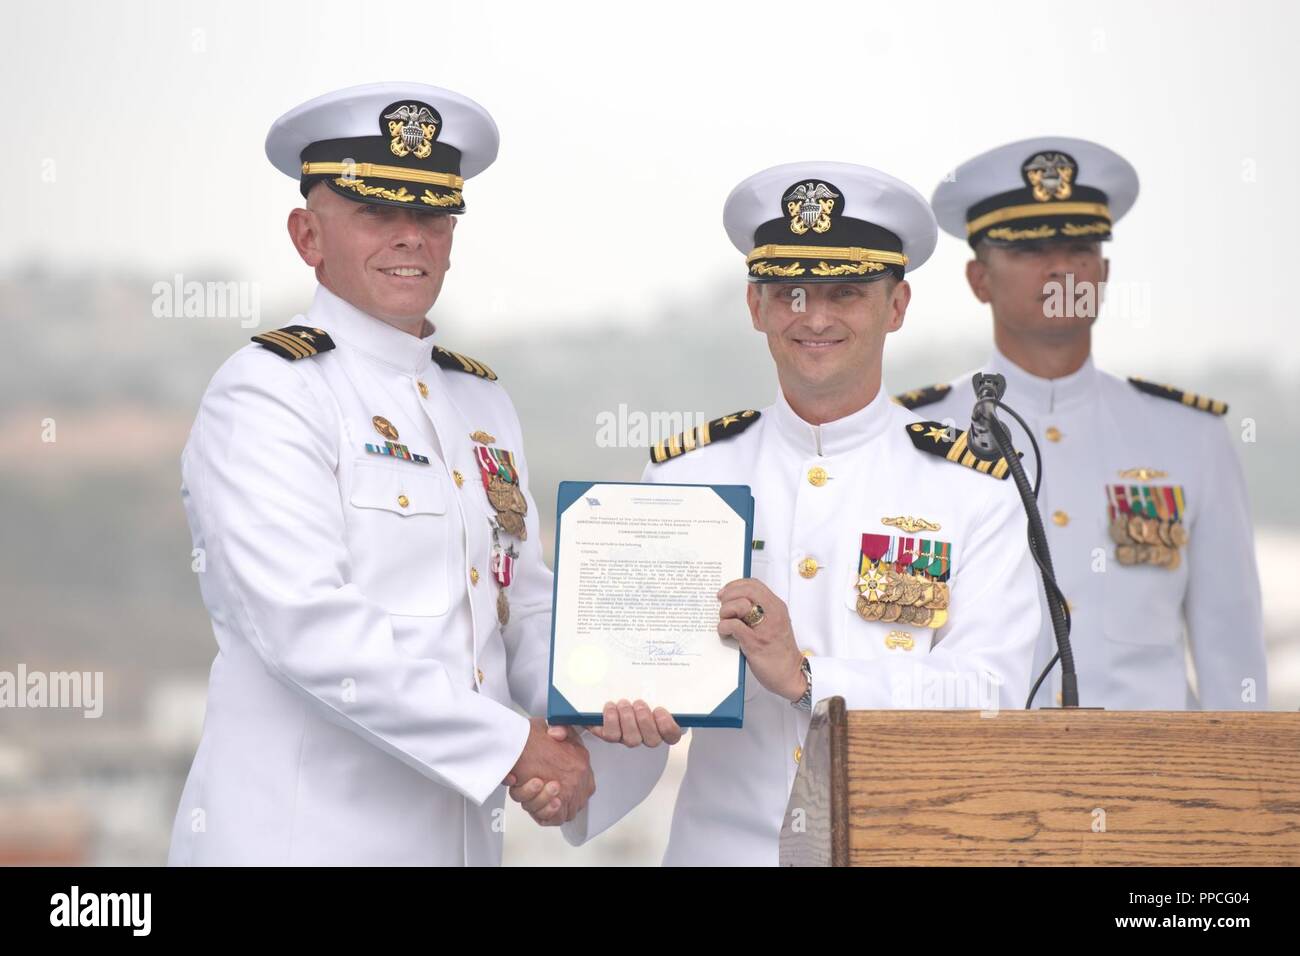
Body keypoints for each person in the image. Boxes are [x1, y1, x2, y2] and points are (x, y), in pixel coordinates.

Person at [512, 161, 1042, 865]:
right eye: (792, 292)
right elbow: (649, 695)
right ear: (756, 305)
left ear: (897, 305)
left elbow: (991, 697)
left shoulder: (973, 488)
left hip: (901, 848)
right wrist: (578, 778)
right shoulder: (688, 474)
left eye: (846, 292)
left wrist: (808, 676)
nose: (815, 317)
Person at [167, 82, 592, 866]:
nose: (410, 238)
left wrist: (601, 705)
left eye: (432, 216)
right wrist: (516, 748)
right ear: (307, 236)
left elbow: (520, 607)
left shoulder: (481, 401)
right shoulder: (268, 391)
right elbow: (309, 629)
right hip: (301, 844)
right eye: (375, 212)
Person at [897, 136, 1267, 710]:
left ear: (1105, 271)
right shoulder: (915, 436)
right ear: (979, 279)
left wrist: (1245, 766)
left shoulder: (1190, 438)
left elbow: (1232, 651)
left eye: (1080, 247)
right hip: (978, 759)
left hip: (1154, 762)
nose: (1061, 269)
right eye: (1031, 249)